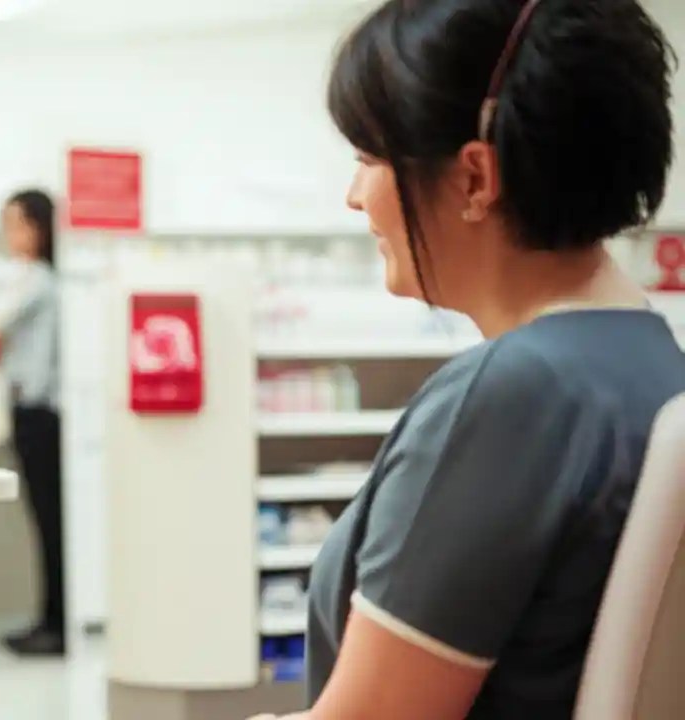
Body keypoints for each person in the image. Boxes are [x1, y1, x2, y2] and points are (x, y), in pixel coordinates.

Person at [256, 1, 685, 719]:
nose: (355, 195)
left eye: (368, 159)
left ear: (476, 179)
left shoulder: (511, 397)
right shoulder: (653, 363)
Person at [0, 189, 65, 656]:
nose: (10, 236)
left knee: (50, 521)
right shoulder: (41, 280)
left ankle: (55, 624)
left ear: (40, 228)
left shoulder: (36, 279)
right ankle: (50, 619)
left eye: (17, 224)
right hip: (35, 412)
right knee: (46, 520)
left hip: (39, 414)